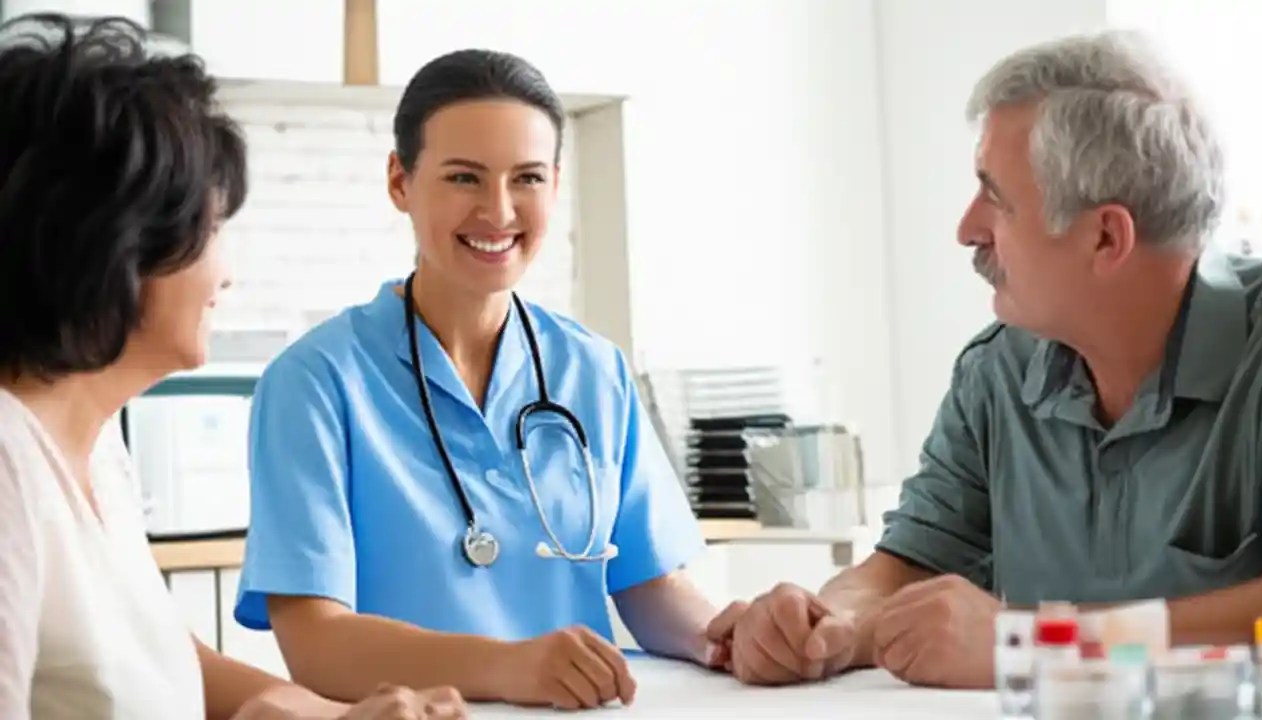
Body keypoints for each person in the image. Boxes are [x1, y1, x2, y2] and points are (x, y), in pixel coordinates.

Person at [707, 29, 1262, 690]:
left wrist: (1040, 645)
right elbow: (911, 565)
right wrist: (824, 623)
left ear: (1105, 236)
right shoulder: (998, 372)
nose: (966, 228)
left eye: (996, 198)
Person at [0, 13, 467, 720]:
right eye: (212, 230)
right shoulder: (8, 469)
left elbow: (155, 659)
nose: (227, 275)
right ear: (116, 245)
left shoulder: (91, 451)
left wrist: (328, 715)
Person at [231, 47, 724, 711]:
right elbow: (316, 644)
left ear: (555, 182)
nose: (498, 211)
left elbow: (647, 586)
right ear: (400, 181)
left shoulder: (594, 370)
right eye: (464, 178)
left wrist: (729, 636)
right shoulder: (315, 382)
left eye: (526, 178)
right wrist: (509, 666)